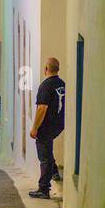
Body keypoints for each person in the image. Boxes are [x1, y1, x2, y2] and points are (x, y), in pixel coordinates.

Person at [28, 58, 66, 199]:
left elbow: (42, 109)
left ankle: (43, 188)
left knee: (43, 155)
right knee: (47, 150)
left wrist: (35, 127)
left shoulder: (46, 85)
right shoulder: (61, 84)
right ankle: (55, 171)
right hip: (58, 124)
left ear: (46, 69)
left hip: (46, 125)